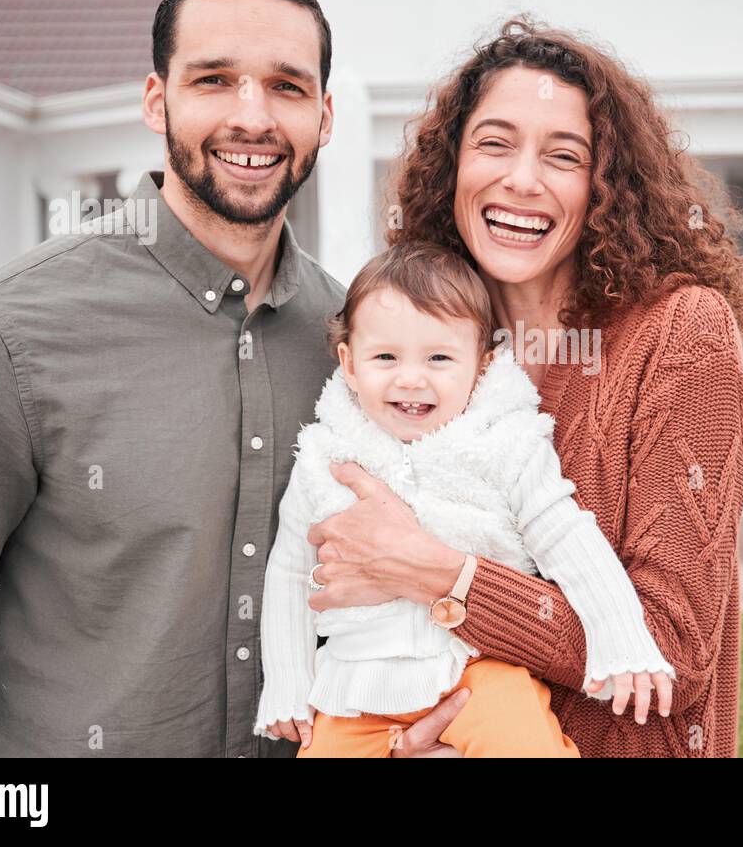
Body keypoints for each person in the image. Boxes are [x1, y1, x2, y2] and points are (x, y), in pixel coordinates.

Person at [0, 0, 344, 757]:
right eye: (214, 80)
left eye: (287, 86)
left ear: (325, 114)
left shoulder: (354, 344)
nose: (253, 117)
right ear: (156, 100)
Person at [294, 19, 743, 757]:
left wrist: (439, 575)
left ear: (606, 186)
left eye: (564, 155)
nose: (522, 179)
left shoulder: (680, 331)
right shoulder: (421, 351)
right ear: (452, 167)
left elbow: (670, 647)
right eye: (494, 143)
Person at [255, 245, 673, 757]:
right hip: (354, 686)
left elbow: (565, 533)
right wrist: (288, 681)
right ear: (349, 364)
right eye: (385, 357)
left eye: (439, 358)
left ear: (481, 365)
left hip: (480, 671)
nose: (411, 378)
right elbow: (291, 568)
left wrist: (621, 636)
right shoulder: (325, 456)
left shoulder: (505, 442)